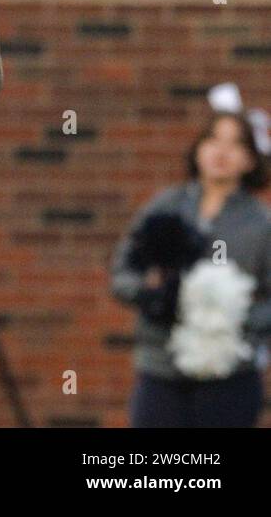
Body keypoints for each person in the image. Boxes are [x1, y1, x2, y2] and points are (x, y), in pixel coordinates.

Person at [111, 108, 271, 427]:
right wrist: (153, 293)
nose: (222, 151)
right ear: (198, 149)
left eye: (236, 144)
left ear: (250, 160)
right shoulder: (164, 207)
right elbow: (122, 275)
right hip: (160, 369)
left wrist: (237, 318)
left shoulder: (261, 223)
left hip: (230, 373)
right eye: (213, 139)